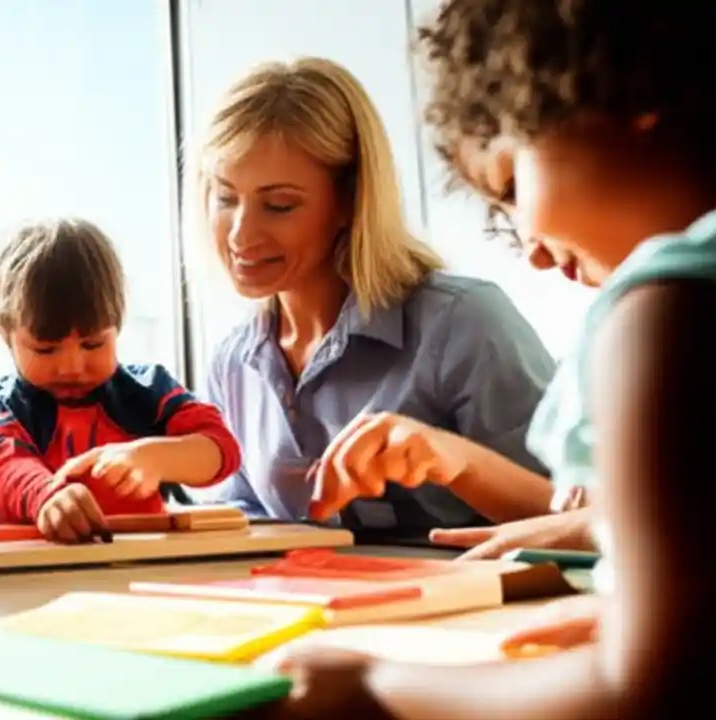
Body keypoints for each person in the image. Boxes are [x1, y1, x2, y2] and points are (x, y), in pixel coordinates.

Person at [276, 2, 716, 717]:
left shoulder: (665, 311)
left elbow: (651, 688)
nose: (533, 247)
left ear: (620, 94)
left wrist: (371, 687)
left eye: (512, 189)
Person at [192, 56, 556, 539]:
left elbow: (583, 518)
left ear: (350, 201)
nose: (241, 234)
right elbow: (237, 526)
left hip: (464, 609)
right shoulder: (232, 363)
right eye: (226, 198)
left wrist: (454, 461)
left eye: (279, 205)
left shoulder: (462, 323)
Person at [0, 218, 241, 543]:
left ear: (117, 327)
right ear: (6, 334)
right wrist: (45, 494)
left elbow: (221, 449)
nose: (71, 366)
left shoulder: (149, 391)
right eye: (46, 349)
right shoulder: (0, 405)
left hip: (142, 559)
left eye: (93, 344)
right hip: (36, 563)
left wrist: (156, 457)